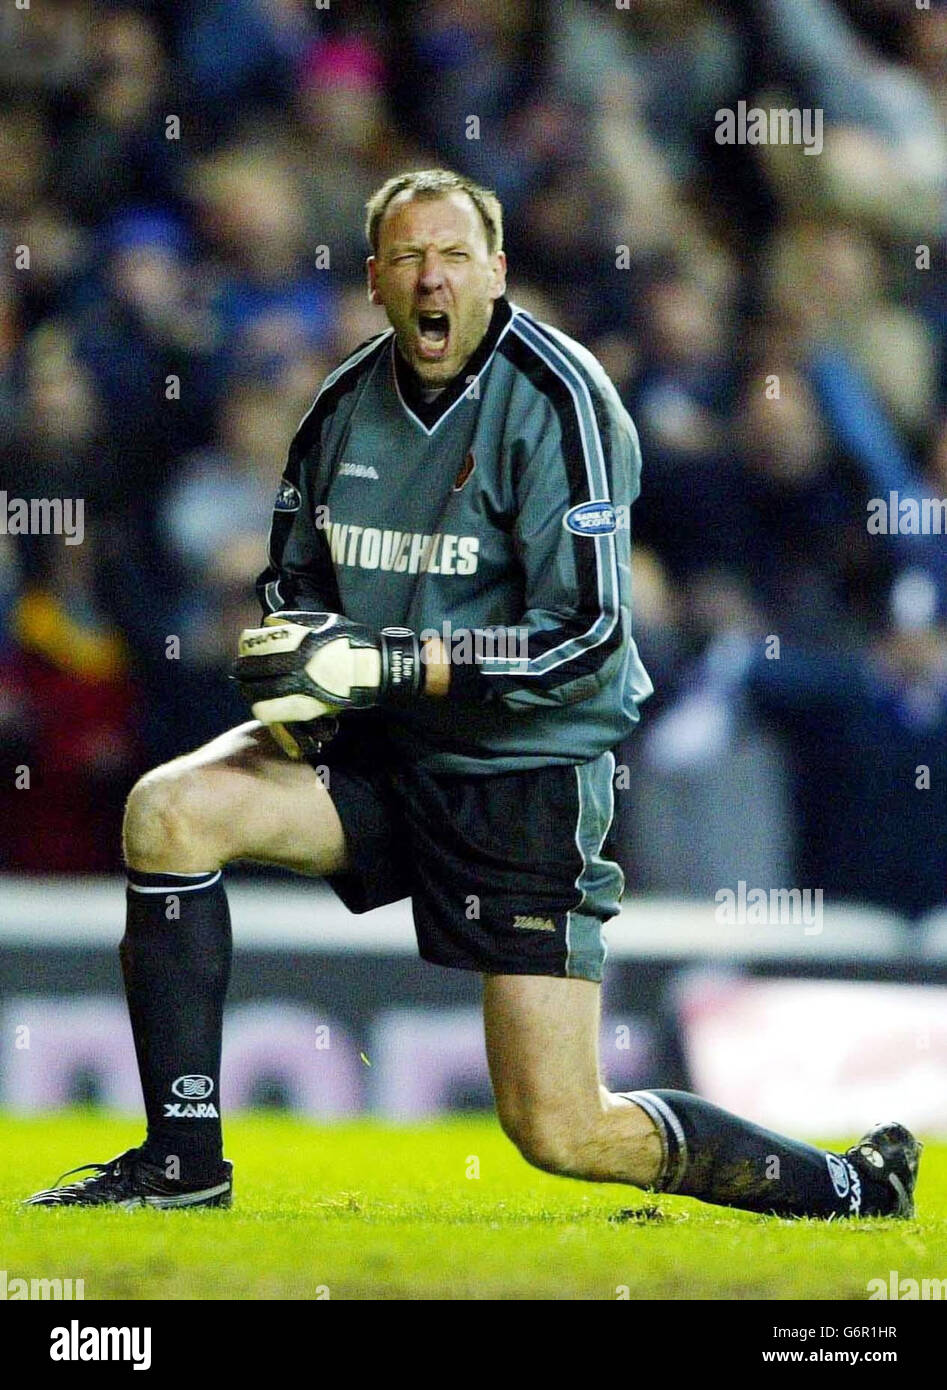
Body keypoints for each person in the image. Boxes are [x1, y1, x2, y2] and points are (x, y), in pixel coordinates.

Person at [25, 169, 919, 1218]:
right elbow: (295, 581)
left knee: (563, 1128)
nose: (429, 277)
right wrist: (293, 649)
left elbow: (585, 633)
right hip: (383, 754)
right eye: (406, 258)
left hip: (520, 773)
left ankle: (848, 1187)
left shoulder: (561, 399)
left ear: (496, 271)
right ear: (373, 280)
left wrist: (390, 661)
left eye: (452, 255)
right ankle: (181, 1167)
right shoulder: (337, 409)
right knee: (169, 810)